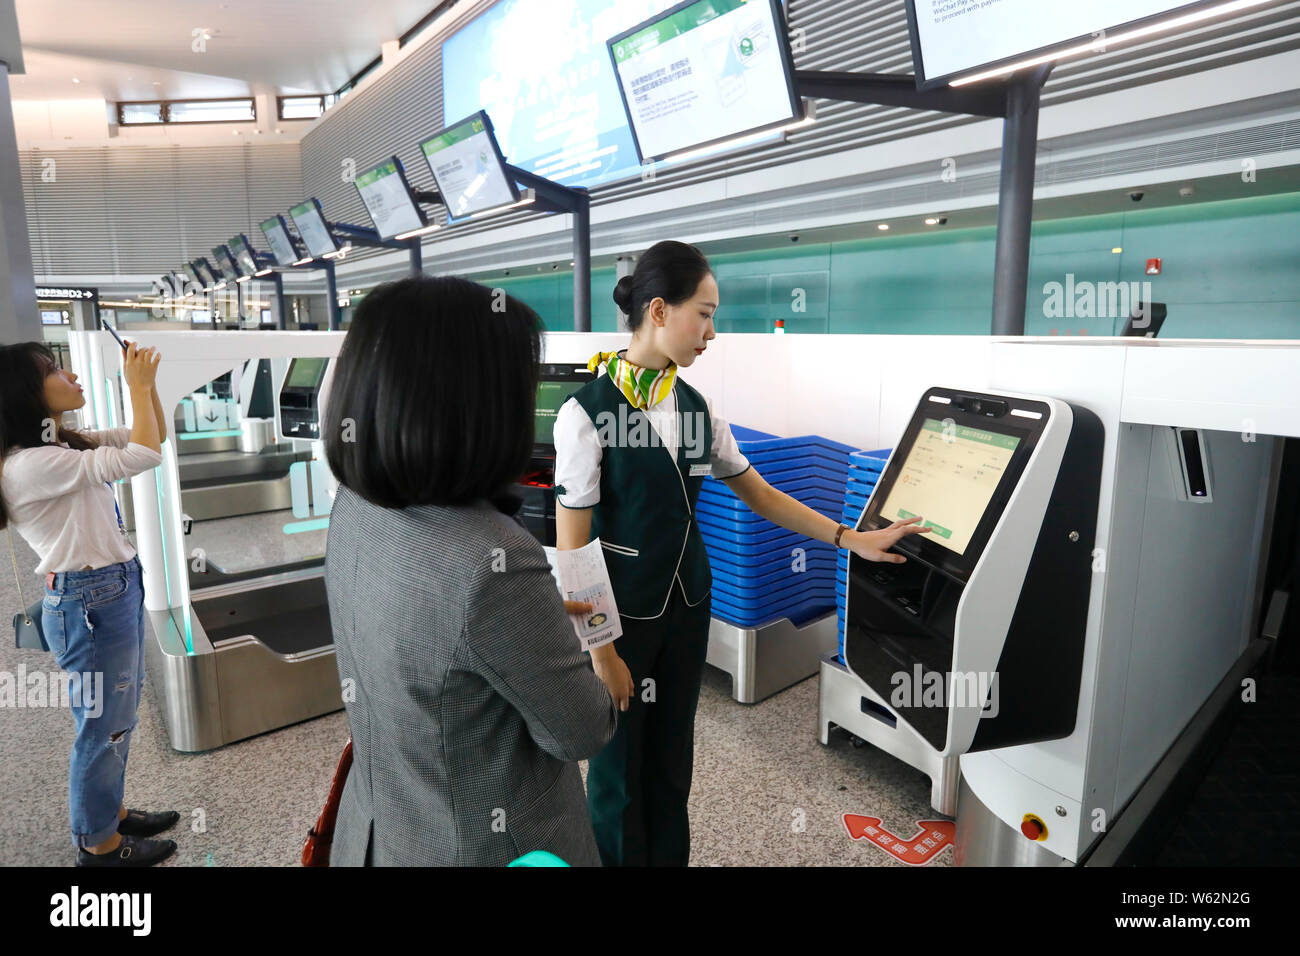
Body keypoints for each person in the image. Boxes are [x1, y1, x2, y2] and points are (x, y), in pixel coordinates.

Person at [553, 240, 932, 867]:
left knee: (673, 765)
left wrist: (850, 538)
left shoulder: (697, 412)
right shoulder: (586, 413)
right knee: (619, 776)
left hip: (687, 609)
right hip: (622, 621)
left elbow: (761, 495)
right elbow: (574, 545)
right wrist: (601, 650)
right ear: (658, 311)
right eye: (703, 314)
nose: (711, 332)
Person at [321, 275, 618, 867]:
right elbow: (580, 731)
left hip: (381, 831)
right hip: (483, 847)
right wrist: (594, 659)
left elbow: (422, 626)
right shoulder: (492, 561)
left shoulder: (353, 506)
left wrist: (522, 627)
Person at [0, 341, 178, 867]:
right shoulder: (31, 463)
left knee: (114, 720)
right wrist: (138, 388)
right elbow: (144, 456)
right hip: (91, 602)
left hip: (107, 592)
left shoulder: (62, 443)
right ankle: (99, 845)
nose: (71, 375)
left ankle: (109, 813)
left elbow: (152, 437)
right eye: (54, 370)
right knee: (103, 726)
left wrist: (148, 390)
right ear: (24, 393)